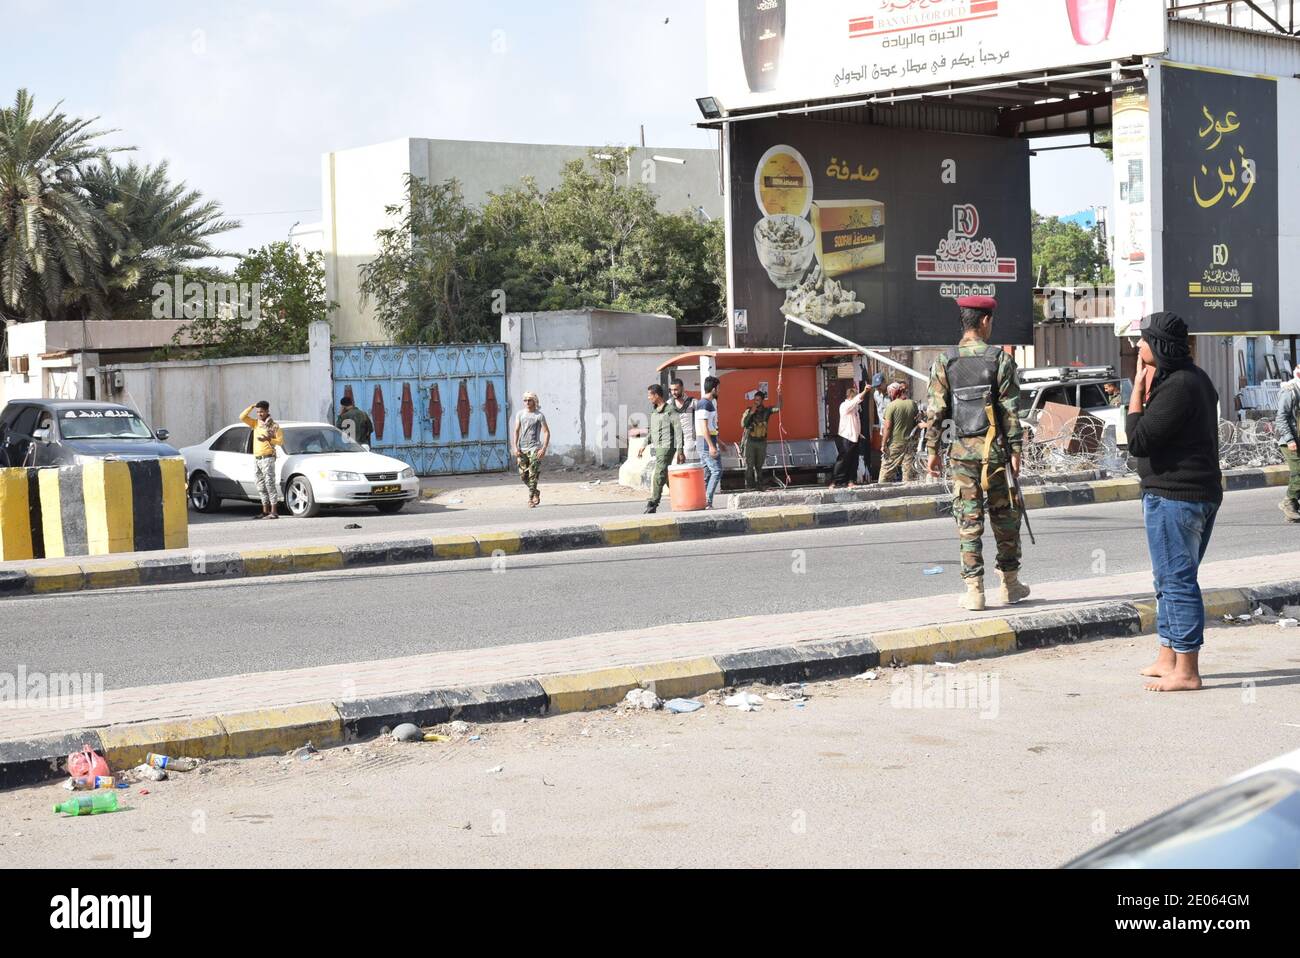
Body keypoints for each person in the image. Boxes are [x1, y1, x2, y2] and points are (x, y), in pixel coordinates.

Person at [1128, 312, 1223, 694]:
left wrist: (1137, 388)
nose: (1138, 346)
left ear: (1160, 345)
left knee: (1178, 582)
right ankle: (1168, 656)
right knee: (1167, 580)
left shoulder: (1180, 386)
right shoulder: (1192, 380)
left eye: (1144, 340)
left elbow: (1138, 440)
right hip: (1188, 495)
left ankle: (1186, 669)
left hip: (1176, 497)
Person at [925, 296, 1030, 612]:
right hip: (995, 453)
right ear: (985, 321)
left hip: (961, 455)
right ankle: (1010, 585)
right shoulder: (1000, 360)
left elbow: (935, 411)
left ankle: (975, 592)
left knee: (968, 520)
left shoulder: (945, 361)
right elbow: (1011, 411)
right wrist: (1015, 451)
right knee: (1005, 517)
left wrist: (932, 450)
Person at [639, 384, 682, 514]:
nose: (648, 398)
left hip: (667, 447)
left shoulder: (670, 410)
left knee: (659, 474)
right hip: (658, 448)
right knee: (666, 475)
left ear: (656, 395)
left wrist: (680, 450)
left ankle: (653, 502)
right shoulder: (654, 412)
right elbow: (652, 432)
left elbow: (679, 431)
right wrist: (643, 445)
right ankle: (681, 497)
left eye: (650, 395)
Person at [240, 401, 285, 519]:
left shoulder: (274, 426)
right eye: (258, 412)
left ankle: (274, 512)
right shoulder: (255, 423)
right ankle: (265, 511)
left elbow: (280, 441)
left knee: (269, 484)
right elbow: (242, 417)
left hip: (268, 458)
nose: (259, 414)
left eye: (262, 411)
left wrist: (268, 439)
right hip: (257, 458)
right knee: (260, 485)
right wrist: (252, 406)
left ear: (267, 411)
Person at [513, 392, 550, 508]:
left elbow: (546, 432)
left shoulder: (539, 415)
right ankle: (535, 492)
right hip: (522, 449)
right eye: (525, 400)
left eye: (529, 400)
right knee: (523, 476)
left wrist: (543, 448)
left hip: (535, 448)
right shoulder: (520, 414)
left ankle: (530, 499)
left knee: (533, 474)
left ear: (534, 401)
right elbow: (516, 431)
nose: (527, 402)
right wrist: (515, 446)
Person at [741, 389, 782, 491]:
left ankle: (759, 485)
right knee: (749, 465)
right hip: (751, 441)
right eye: (755, 400)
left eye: (758, 400)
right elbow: (744, 425)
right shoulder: (748, 410)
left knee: (759, 465)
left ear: (762, 400)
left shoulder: (767, 411)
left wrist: (779, 394)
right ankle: (749, 486)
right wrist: (751, 413)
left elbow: (779, 407)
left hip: (761, 442)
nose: (756, 402)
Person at [880, 381, 920, 484]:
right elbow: (917, 423)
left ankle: (882, 495)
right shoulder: (913, 404)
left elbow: (887, 427)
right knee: (908, 474)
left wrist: (883, 444)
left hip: (895, 443)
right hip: (910, 444)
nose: (889, 394)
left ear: (894, 392)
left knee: (885, 473)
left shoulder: (891, 406)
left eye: (890, 392)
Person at [830, 384, 869, 489]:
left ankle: (850, 480)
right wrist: (864, 391)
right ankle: (835, 481)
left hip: (855, 437)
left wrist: (859, 434)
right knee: (843, 460)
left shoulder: (855, 408)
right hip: (846, 437)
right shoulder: (845, 405)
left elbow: (855, 422)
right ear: (851, 396)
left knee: (854, 460)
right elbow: (856, 401)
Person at [1275, 362, 1300, 523]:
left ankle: (1292, 509)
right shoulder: (1289, 391)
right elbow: (1281, 418)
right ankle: (1288, 501)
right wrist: (1290, 440)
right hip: (1289, 440)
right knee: (1298, 472)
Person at [694, 376, 724, 509]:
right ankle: (707, 501)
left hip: (707, 442)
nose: (719, 390)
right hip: (706, 444)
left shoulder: (707, 403)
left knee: (706, 473)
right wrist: (712, 446)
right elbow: (703, 427)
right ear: (713, 389)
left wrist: (719, 441)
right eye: (718, 388)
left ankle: (701, 500)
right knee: (716, 471)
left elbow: (710, 427)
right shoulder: (705, 404)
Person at [669, 379, 698, 464]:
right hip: (675, 445)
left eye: (676, 389)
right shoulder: (669, 404)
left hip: (690, 443)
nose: (673, 392)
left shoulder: (693, 402)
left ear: (682, 388)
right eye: (671, 390)